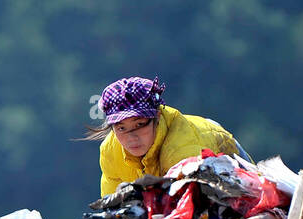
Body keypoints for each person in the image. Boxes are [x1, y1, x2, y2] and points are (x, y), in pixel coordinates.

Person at [87, 76, 250, 197]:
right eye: (121, 128)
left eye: (139, 124)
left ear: (157, 116)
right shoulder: (110, 150)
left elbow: (191, 207)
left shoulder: (183, 152)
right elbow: (111, 205)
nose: (131, 137)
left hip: (226, 161)